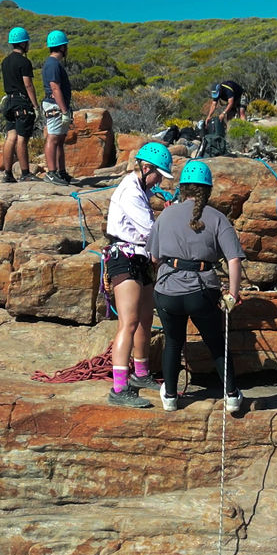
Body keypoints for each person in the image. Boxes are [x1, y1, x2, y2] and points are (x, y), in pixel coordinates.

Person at [148, 160, 246, 414]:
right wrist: (232, 295)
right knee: (216, 341)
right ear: (207, 190)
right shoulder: (217, 218)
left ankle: (170, 396)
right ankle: (232, 395)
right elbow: (234, 259)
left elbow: (155, 258)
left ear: (183, 188)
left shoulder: (166, 215)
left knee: (173, 340)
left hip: (167, 290)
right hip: (202, 290)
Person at [103, 142, 177, 409]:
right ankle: (119, 387)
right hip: (125, 258)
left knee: (146, 318)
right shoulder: (130, 193)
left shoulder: (141, 189)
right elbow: (150, 231)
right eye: (158, 174)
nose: (159, 180)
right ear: (146, 168)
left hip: (140, 258)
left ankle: (141, 373)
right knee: (129, 321)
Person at [0, 28, 42, 183]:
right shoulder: (24, 62)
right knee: (22, 138)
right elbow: (28, 85)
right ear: (23, 43)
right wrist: (36, 106)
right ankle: (25, 173)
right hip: (21, 102)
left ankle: (8, 174)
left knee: (11, 137)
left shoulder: (5, 61)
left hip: (8, 102)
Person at [41, 30, 74, 185]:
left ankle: (61, 172)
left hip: (58, 105)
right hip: (55, 106)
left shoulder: (52, 64)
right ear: (61, 47)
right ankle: (52, 172)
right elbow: (55, 88)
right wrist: (64, 110)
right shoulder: (53, 64)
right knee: (53, 138)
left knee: (59, 139)